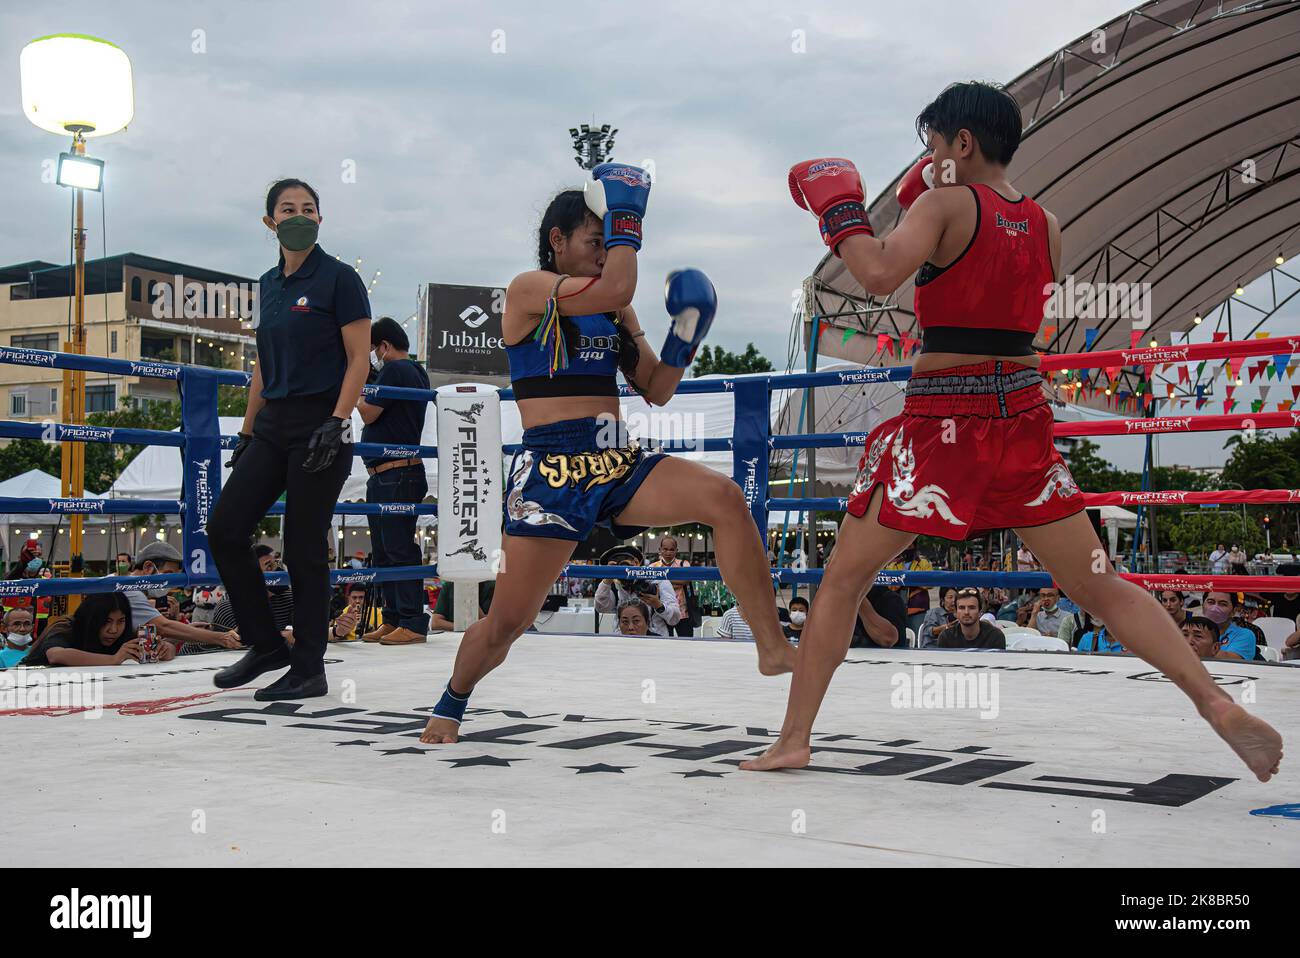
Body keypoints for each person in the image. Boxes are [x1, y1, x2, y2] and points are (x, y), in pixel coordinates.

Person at [743, 81, 1282, 781]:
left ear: (961, 143)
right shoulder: (1047, 223)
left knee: (843, 580)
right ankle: (1212, 700)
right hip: (1021, 417)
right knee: (1101, 584)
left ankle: (794, 738)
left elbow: (876, 274)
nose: (929, 159)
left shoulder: (944, 202)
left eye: (934, 146)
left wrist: (840, 212)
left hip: (943, 421)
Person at [422, 168, 795, 744]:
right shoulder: (529, 290)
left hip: (614, 458)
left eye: (608, 241)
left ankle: (771, 646)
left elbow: (657, 386)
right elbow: (618, 284)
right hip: (552, 470)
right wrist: (629, 220)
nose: (605, 254)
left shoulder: (615, 310)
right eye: (595, 242)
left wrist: (686, 333)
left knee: (724, 497)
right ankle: (452, 699)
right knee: (507, 624)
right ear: (557, 242)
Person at [207, 178, 372, 701]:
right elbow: (261, 365)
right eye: (287, 208)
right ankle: (265, 644)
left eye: (308, 208)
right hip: (273, 423)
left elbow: (358, 359)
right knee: (226, 528)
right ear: (269, 221)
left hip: (322, 423)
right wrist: (247, 430)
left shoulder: (341, 279)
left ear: (320, 219)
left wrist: (338, 418)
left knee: (303, 548)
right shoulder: (268, 283)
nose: (298, 215)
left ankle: (308, 667)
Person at [355, 315, 432, 646]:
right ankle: (395, 618)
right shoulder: (412, 370)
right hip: (391, 472)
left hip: (395, 471)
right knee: (387, 550)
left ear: (383, 346)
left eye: (373, 349)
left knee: (397, 548)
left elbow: (368, 412)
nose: (372, 355)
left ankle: (412, 621)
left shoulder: (397, 370)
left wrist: (358, 390)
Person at [125, 541, 241, 653]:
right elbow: (164, 626)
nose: (171, 584)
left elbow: (155, 635)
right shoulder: (132, 592)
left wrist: (187, 631)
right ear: (148, 567)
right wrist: (221, 638)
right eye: (168, 574)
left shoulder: (133, 589)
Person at [21, 593, 173, 667]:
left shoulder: (125, 633)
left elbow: (170, 648)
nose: (114, 630)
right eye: (106, 621)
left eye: (121, 621)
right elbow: (56, 655)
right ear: (91, 618)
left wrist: (164, 649)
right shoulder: (65, 627)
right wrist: (114, 659)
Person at [594, 545, 681, 637]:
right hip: (623, 638)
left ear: (636, 562)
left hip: (655, 638)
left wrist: (658, 605)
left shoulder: (657, 580)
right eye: (616, 564)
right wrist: (607, 581)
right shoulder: (612, 584)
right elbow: (601, 608)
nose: (622, 568)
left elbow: (674, 619)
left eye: (624, 563)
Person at [650, 536, 694, 637]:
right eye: (665, 549)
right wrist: (677, 581)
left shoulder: (684, 564)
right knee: (665, 645)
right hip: (662, 613)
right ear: (660, 550)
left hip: (683, 613)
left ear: (676, 550)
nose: (668, 552)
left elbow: (687, 580)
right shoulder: (652, 566)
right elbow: (651, 584)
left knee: (687, 644)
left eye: (671, 549)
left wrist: (662, 580)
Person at [935, 588, 1005, 649]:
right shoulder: (946, 637)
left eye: (972, 608)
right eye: (962, 608)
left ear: (980, 612)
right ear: (955, 613)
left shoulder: (995, 636)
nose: (966, 612)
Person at [1200, 590, 1260, 661]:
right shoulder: (1190, 630)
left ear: (1234, 611)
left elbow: (1232, 661)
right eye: (1211, 602)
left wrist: (1193, 647)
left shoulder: (1245, 635)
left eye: (1223, 604)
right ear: (1203, 607)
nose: (1215, 608)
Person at [428, 580, 495, 633]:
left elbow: (489, 626)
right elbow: (435, 623)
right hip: (453, 639)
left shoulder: (492, 586)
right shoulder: (450, 584)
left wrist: (470, 599)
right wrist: (463, 628)